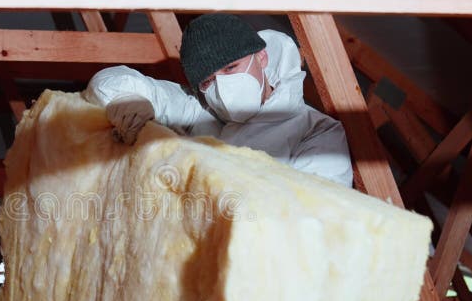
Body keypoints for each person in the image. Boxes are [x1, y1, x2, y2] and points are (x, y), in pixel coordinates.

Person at [82, 14, 353, 188]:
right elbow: (109, 81)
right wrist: (126, 100)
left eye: (230, 68)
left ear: (261, 58)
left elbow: (317, 214)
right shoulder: (199, 110)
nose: (221, 87)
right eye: (208, 80)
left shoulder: (316, 130)